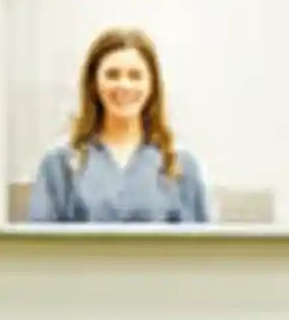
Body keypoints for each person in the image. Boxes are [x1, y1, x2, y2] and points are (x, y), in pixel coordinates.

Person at [26, 27, 210, 224]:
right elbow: (41, 250)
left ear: (152, 85)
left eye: (135, 76)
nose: (124, 85)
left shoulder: (179, 166)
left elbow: (201, 250)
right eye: (112, 75)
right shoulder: (59, 166)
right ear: (93, 83)